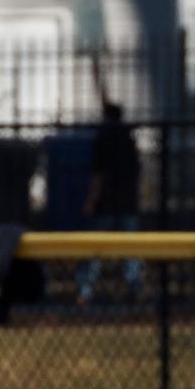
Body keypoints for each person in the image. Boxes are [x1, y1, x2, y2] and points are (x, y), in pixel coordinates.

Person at [75, 100, 143, 305]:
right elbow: (137, 172)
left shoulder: (103, 139)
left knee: (95, 248)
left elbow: (98, 175)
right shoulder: (128, 139)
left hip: (106, 204)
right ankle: (134, 288)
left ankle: (85, 291)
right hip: (128, 201)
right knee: (130, 248)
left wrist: (90, 201)